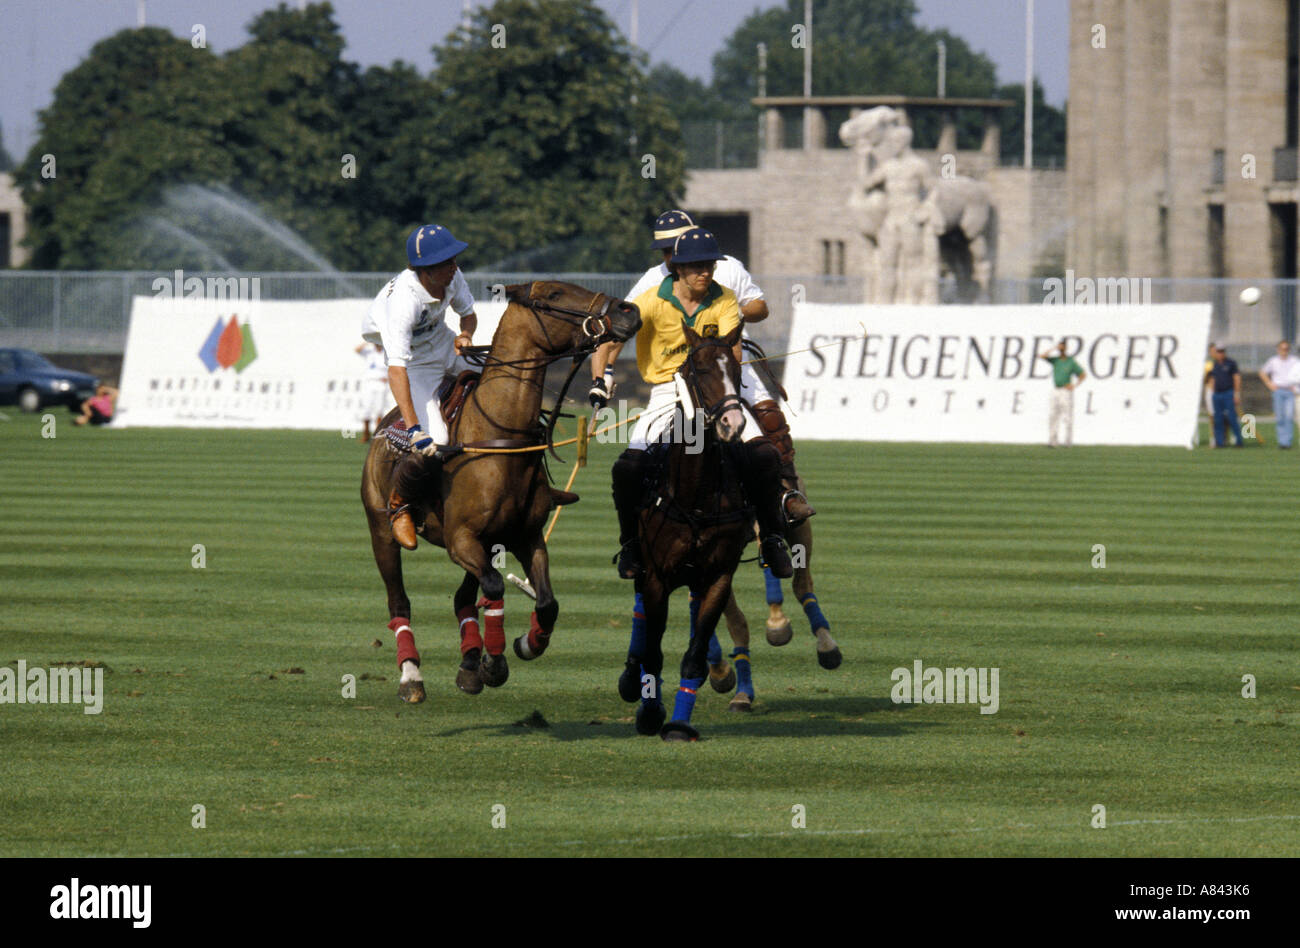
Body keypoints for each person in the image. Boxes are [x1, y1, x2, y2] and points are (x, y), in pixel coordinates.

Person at [594, 227, 794, 580]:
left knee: (764, 455)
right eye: (696, 265)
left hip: (715, 387)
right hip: (666, 389)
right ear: (678, 269)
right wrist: (602, 377)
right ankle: (630, 545)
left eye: (709, 265)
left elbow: (732, 354)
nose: (706, 271)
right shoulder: (650, 301)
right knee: (628, 468)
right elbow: (610, 339)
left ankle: (774, 538)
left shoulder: (725, 299)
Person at [361, 224, 478, 549]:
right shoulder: (403, 303)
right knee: (435, 439)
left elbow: (468, 315)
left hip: (443, 341)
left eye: (454, 259)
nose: (454, 265)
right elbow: (397, 371)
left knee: (499, 378)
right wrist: (414, 429)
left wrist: (465, 336)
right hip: (413, 361)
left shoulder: (452, 276)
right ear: (425, 271)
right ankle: (399, 505)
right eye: (446, 262)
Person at [1038, 341, 1086, 447]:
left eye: (1062, 347)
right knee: (1053, 415)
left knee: (1067, 417)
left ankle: (1068, 442)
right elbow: (1041, 356)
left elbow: (1082, 374)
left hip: (1066, 391)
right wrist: (1054, 348)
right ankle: (1053, 441)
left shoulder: (1070, 361)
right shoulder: (1056, 360)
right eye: (1060, 347)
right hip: (1056, 389)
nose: (1061, 349)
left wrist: (1075, 385)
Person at [1259, 339, 1300, 449]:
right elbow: (1262, 372)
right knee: (1280, 417)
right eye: (1282, 349)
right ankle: (1282, 442)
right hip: (1278, 390)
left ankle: (1287, 441)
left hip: (1290, 391)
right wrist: (1269, 384)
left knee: (1289, 416)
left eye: (1286, 349)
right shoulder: (1273, 361)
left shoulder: (1294, 361)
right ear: (1278, 350)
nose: (1284, 351)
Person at [1205, 342, 1244, 447]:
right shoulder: (1214, 364)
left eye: (1222, 351)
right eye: (1218, 351)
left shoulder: (1231, 363)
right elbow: (1211, 378)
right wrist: (1213, 391)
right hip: (1217, 394)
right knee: (1218, 419)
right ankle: (1219, 442)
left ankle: (1238, 440)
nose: (1220, 354)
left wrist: (1236, 393)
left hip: (1228, 393)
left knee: (1231, 417)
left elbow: (1236, 378)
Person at [355, 341, 390, 443]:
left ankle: (378, 435)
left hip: (382, 383)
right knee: (366, 408)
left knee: (379, 409)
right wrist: (368, 341)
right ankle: (366, 434)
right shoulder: (369, 352)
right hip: (369, 383)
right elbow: (357, 350)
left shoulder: (386, 353)